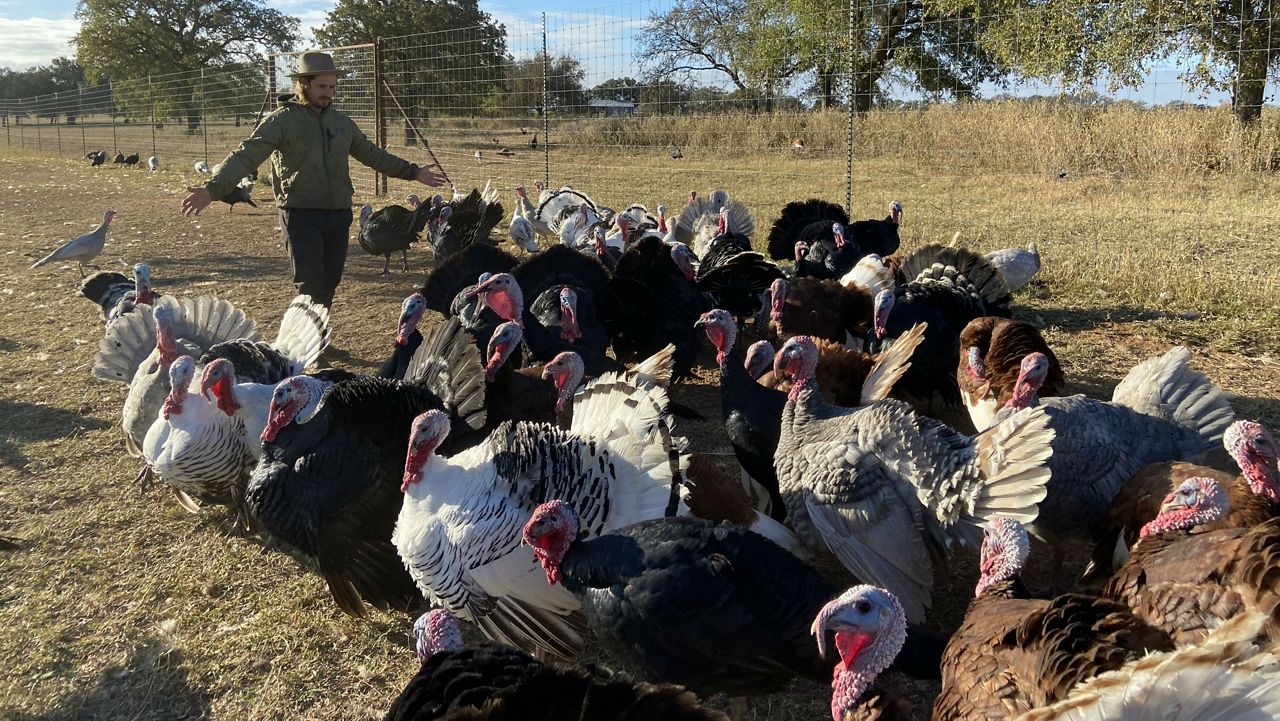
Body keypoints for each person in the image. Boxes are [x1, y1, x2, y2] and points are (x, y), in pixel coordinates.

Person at [180, 51, 444, 310]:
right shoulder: (281, 121)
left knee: (330, 281)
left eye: (332, 86)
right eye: (321, 86)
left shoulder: (341, 123)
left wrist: (413, 171)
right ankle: (311, 345)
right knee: (310, 285)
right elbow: (246, 156)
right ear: (303, 84)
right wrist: (212, 190)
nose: (328, 92)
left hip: (338, 213)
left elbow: (373, 155)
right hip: (299, 214)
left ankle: (318, 337)